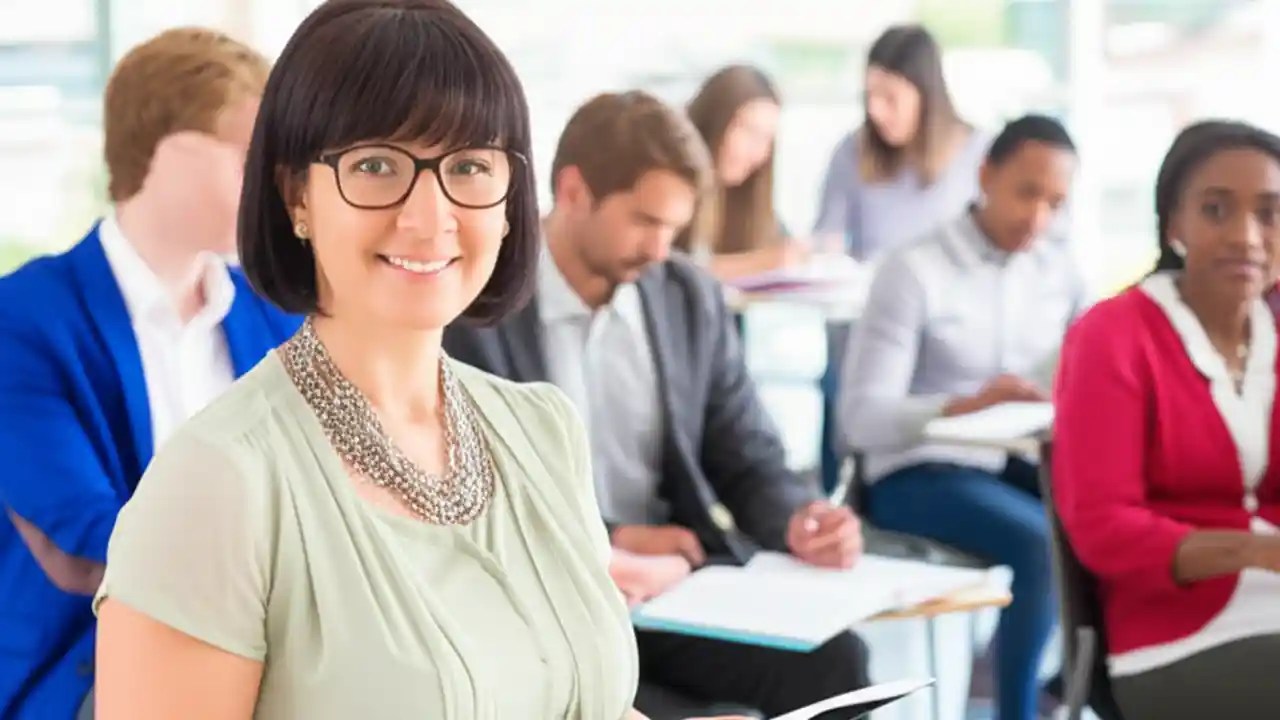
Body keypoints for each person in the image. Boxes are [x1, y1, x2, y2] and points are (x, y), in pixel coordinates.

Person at [90, 2, 652, 718]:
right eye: (377, 165)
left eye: (472, 165)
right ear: (296, 194)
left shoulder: (546, 431)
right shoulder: (219, 482)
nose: (428, 217)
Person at [443, 89, 870, 718]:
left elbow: (745, 452)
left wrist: (797, 519)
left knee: (840, 664)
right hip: (551, 606)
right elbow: (470, 494)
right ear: (575, 190)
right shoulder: (477, 308)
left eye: (675, 227)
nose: (661, 248)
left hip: (674, 594)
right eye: (645, 221)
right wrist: (613, 538)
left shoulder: (684, 298)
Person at [0, 28, 297, 719]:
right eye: (252, 157)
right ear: (164, 151)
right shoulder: (22, 320)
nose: (275, 187)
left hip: (266, 664)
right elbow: (87, 542)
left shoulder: (276, 319)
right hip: (87, 675)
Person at [839, 115, 1085, 720]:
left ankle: (1072, 688)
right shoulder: (914, 270)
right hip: (913, 474)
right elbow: (858, 419)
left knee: (1096, 513)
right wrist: (963, 406)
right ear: (985, 175)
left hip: (1010, 460)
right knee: (1038, 543)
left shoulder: (1057, 271)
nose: (1039, 219)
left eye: (1056, 202)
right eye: (1027, 192)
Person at [1053, 120, 1280, 720]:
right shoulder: (1112, 335)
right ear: (1174, 223)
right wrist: (1259, 554)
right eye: (1216, 210)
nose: (1248, 236)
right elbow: (1103, 527)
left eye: (1270, 213)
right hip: (1176, 633)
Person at [813, 24, 988, 262]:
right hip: (870, 294)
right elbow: (826, 242)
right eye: (869, 96)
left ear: (926, 96)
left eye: (890, 98)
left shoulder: (981, 152)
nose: (875, 111)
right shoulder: (852, 150)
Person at [678, 65, 805, 281]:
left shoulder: (748, 197)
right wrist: (758, 264)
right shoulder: (674, 188)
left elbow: (786, 248)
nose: (758, 152)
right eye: (749, 131)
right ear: (715, 120)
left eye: (766, 139)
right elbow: (670, 271)